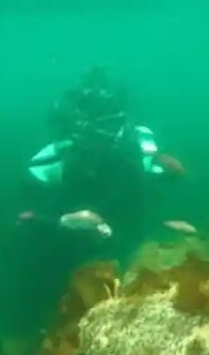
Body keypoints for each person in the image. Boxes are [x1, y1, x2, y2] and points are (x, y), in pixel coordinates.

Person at [19, 64, 179, 249]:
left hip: (131, 242)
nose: (105, 131)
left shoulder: (140, 144)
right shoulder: (59, 157)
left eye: (111, 117)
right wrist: (62, 221)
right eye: (97, 119)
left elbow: (168, 179)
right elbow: (23, 213)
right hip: (71, 251)